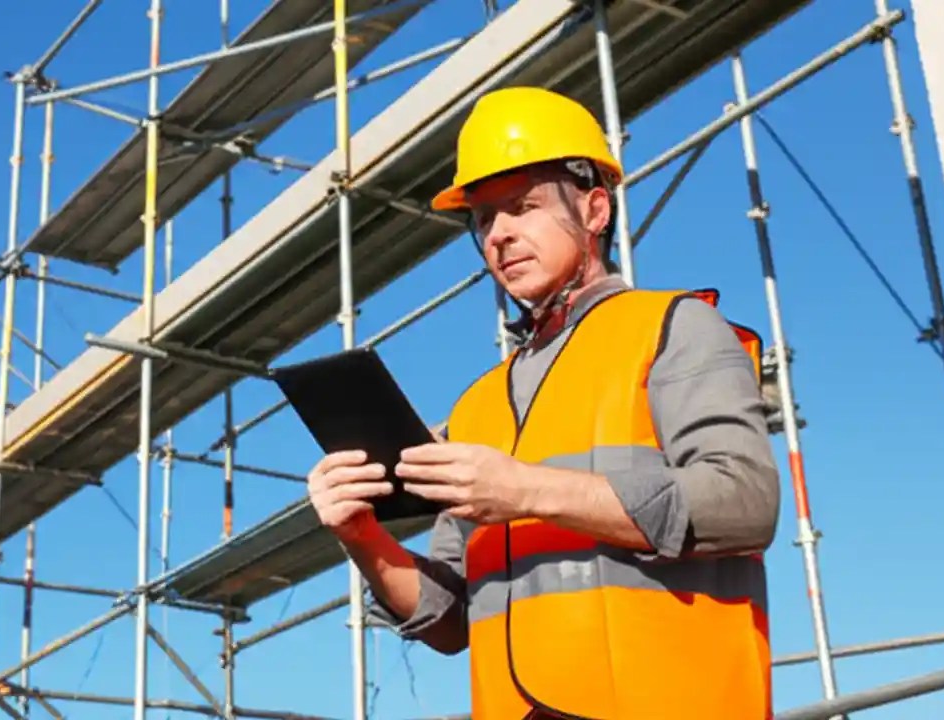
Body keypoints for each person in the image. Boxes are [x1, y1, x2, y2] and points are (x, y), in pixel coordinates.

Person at [306, 86, 781, 719]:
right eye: (483, 219)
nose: (499, 234)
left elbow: (745, 503)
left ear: (594, 209)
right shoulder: (478, 406)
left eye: (523, 207)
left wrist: (525, 491)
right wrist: (362, 537)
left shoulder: (672, 326)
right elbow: (451, 622)